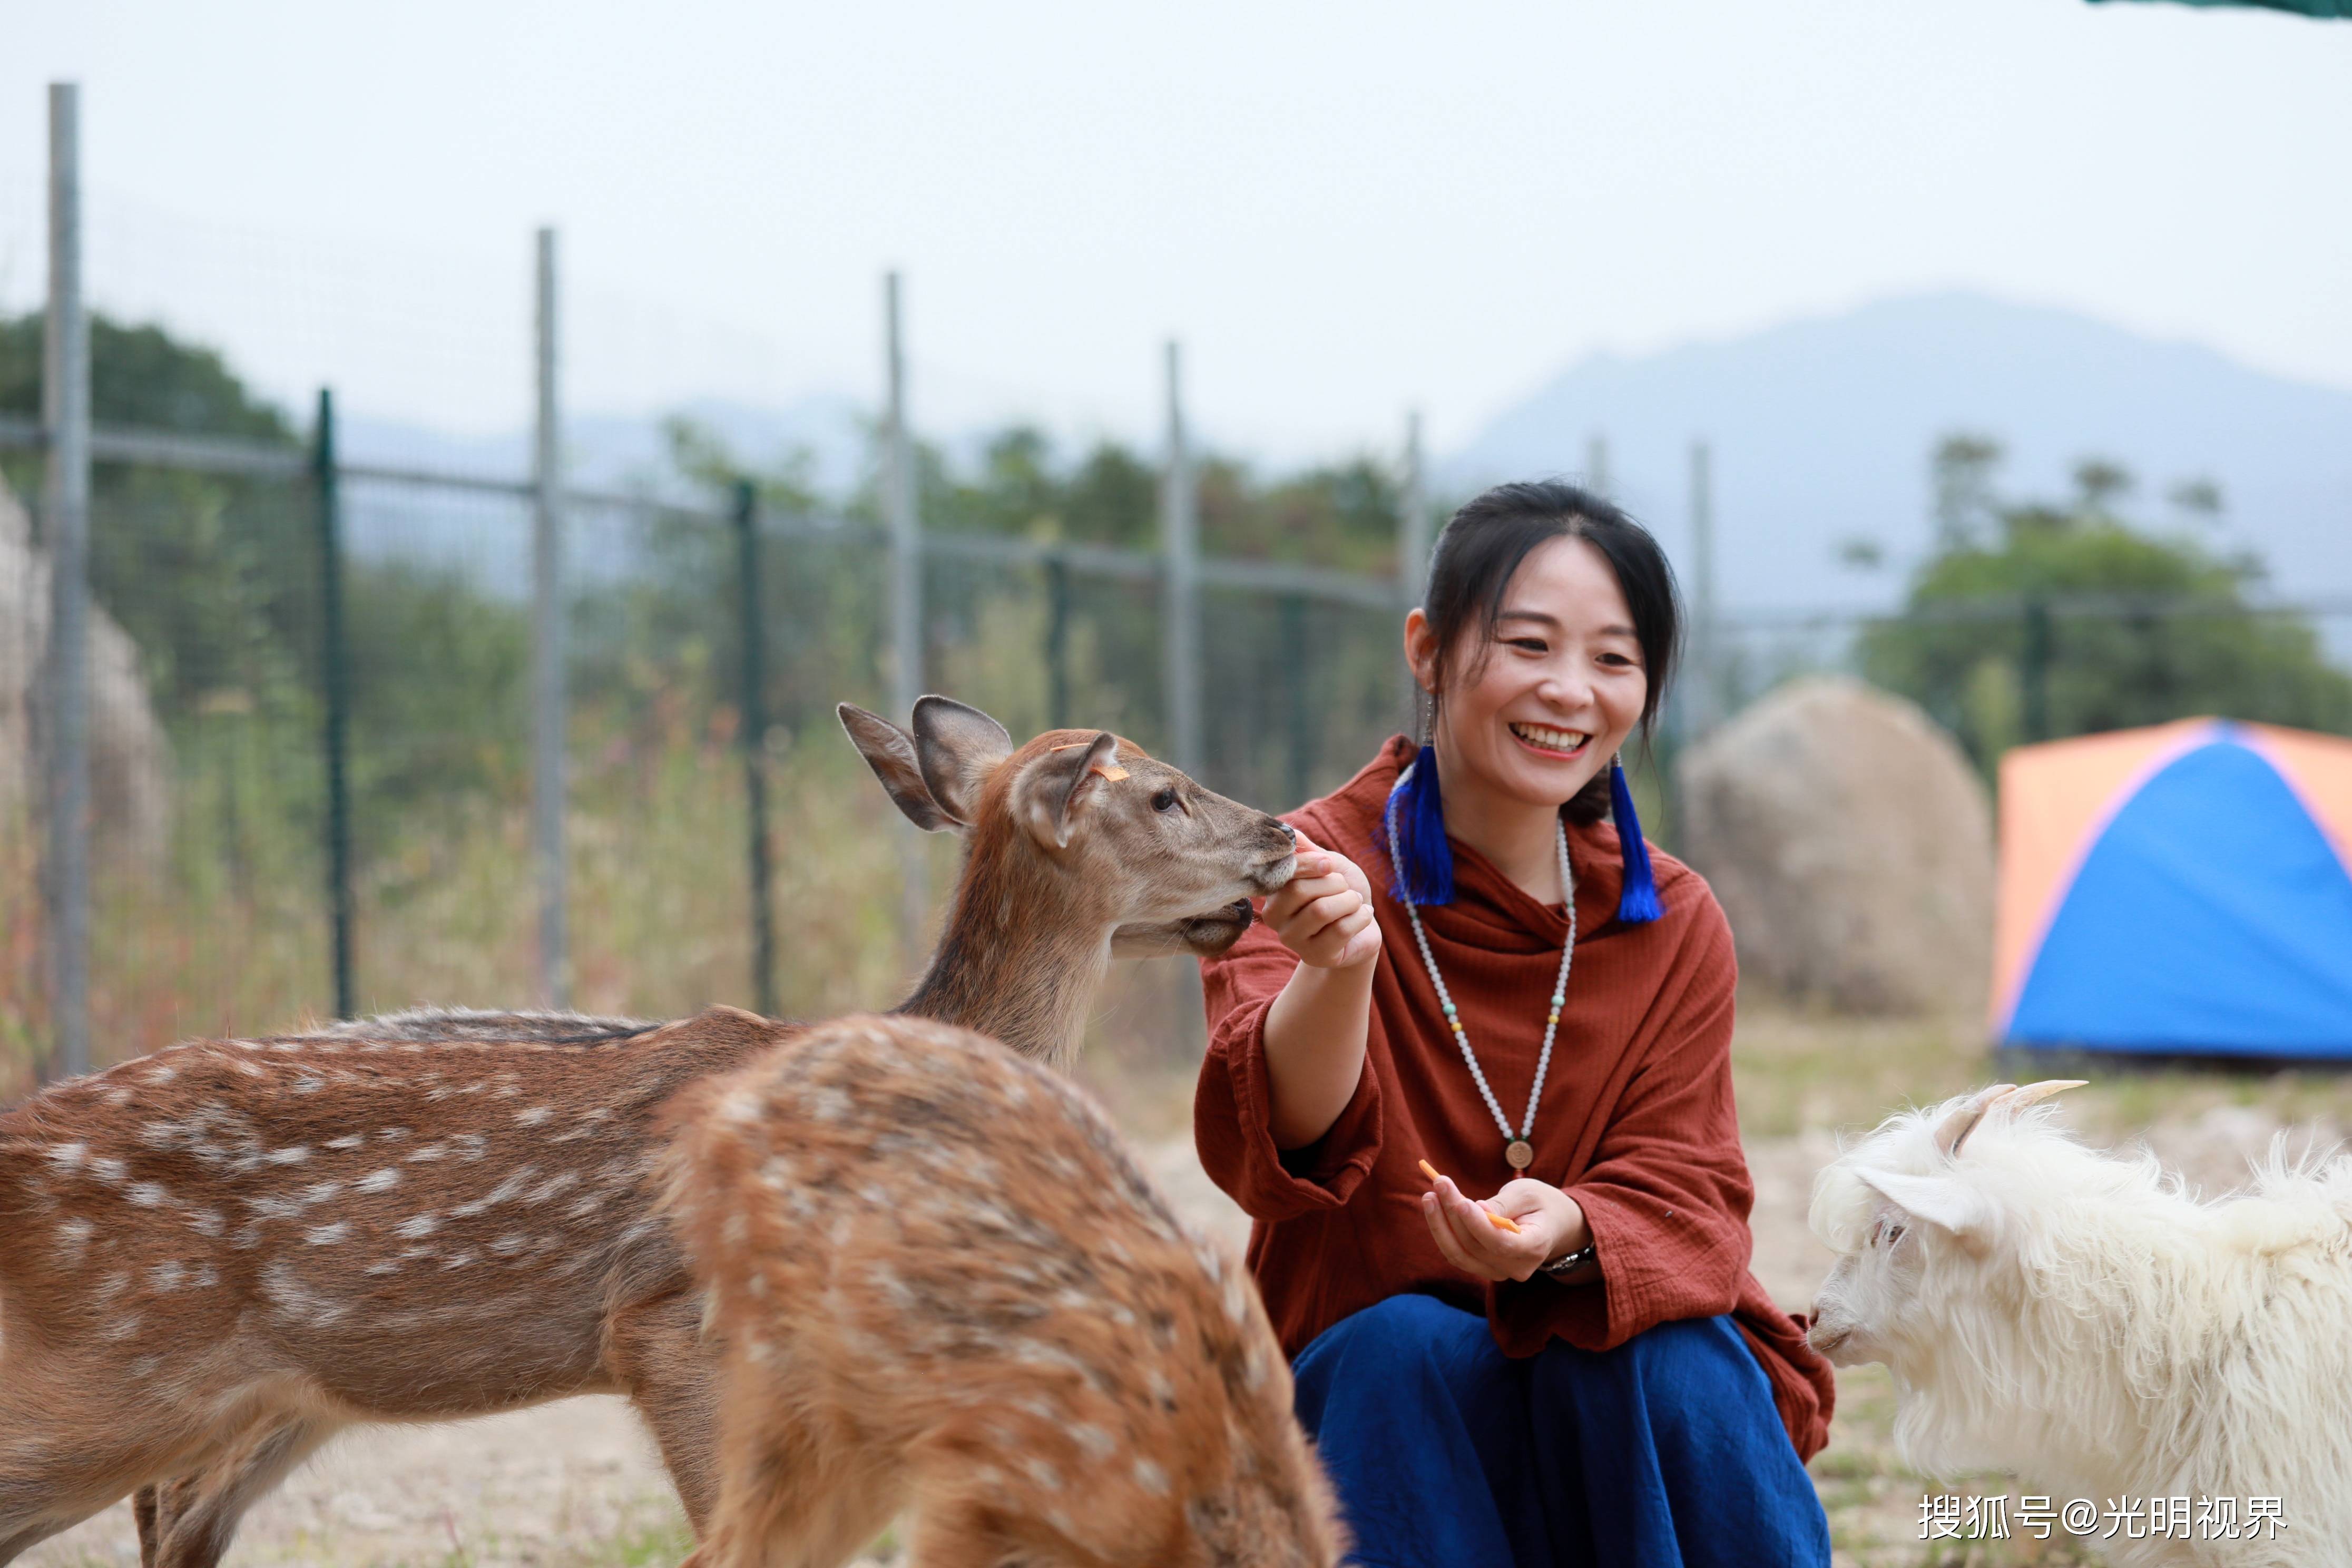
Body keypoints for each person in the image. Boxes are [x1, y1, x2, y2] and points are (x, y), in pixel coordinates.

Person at [1193, 480, 1835, 1567]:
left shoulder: (1671, 919)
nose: (1570, 692)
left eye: (1614, 660)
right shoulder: (1301, 865)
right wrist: (1340, 969)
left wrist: (1573, 1230)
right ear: (1430, 651)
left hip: (1611, 1410)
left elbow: (1692, 1194)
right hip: (1380, 1433)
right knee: (1398, 1344)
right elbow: (1274, 1151)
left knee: (1660, 1351)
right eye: (1530, 643)